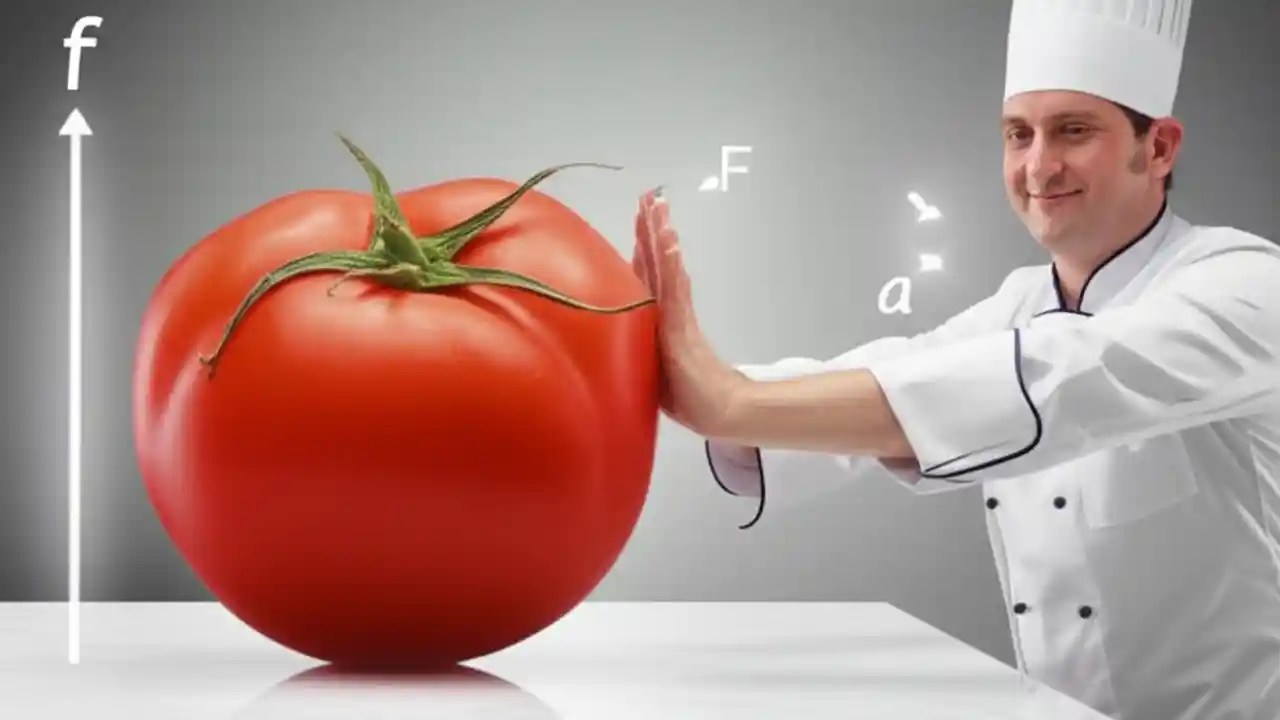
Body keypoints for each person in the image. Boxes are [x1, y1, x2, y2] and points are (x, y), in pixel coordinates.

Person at [629, 1, 1280, 719]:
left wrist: (727, 400)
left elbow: (1059, 378)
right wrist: (657, 370)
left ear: (1158, 148)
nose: (1039, 166)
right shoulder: (1022, 302)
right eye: (1018, 134)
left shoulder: (1246, 284)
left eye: (1074, 130)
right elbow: (907, 370)